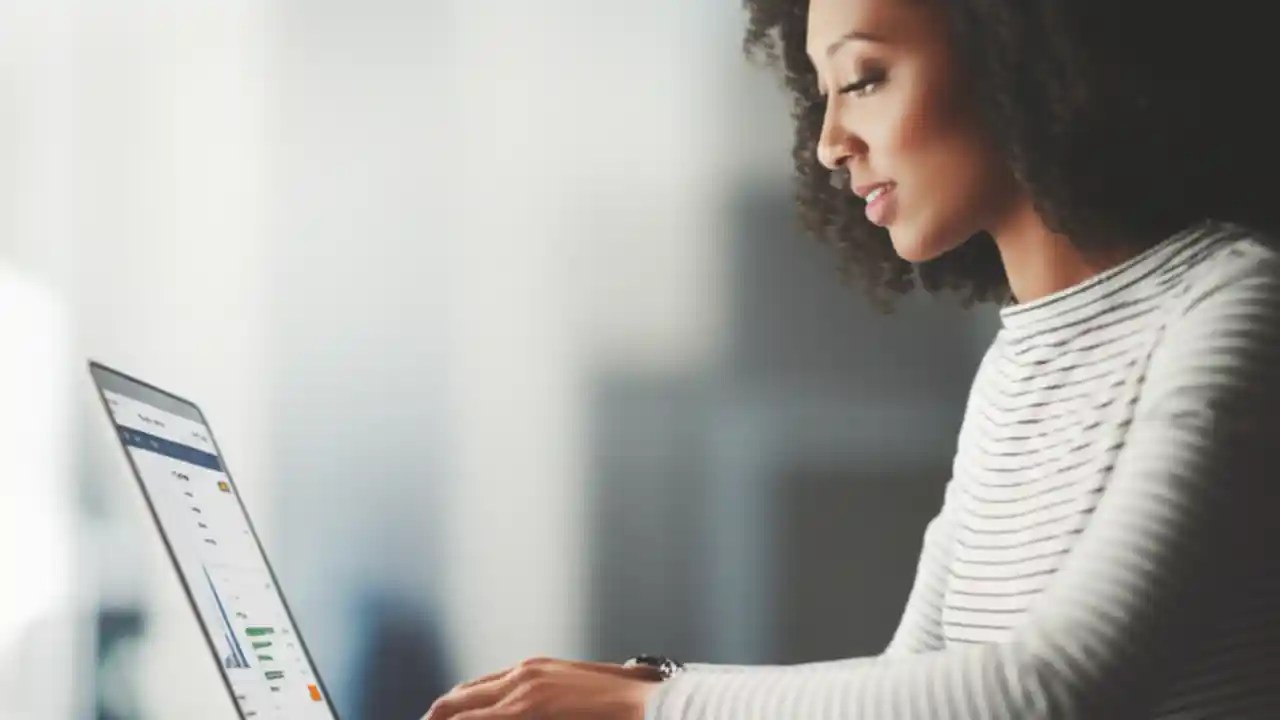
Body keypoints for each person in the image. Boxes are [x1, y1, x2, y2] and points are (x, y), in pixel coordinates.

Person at [422, 0, 1280, 717]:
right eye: (823, 92)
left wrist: (649, 705)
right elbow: (911, 686)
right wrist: (641, 690)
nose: (830, 140)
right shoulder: (1017, 366)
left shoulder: (1232, 303)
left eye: (863, 78)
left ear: (1017, 51)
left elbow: (1048, 689)